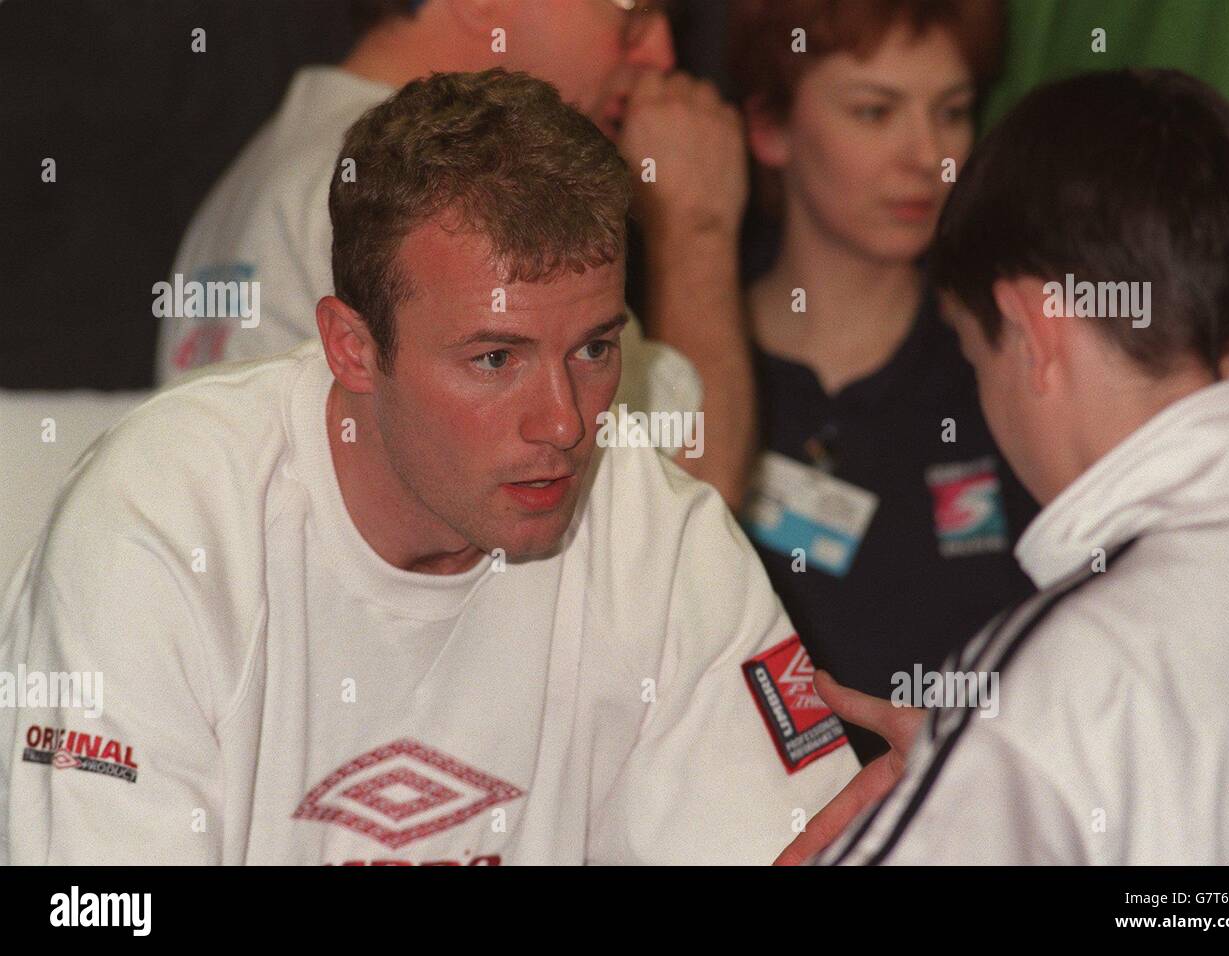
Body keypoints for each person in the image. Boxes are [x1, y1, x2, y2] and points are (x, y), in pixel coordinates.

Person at [0, 71, 856, 866]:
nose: (563, 421)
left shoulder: (660, 538)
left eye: (595, 348)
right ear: (353, 348)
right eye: (495, 359)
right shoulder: (159, 524)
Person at [783, 68, 1229, 865]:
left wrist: (1001, 763)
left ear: (1034, 332)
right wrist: (990, 784)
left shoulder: (1055, 690)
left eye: (974, 354)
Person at [157, 0, 755, 508]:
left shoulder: (280, 169)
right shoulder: (426, 200)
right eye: (631, 12)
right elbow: (683, 513)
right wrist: (697, 227)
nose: (660, 55)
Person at [727, 0, 1035, 762]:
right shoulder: (679, 361)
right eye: (874, 112)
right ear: (769, 128)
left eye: (953, 112)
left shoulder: (1016, 363)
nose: (928, 154)